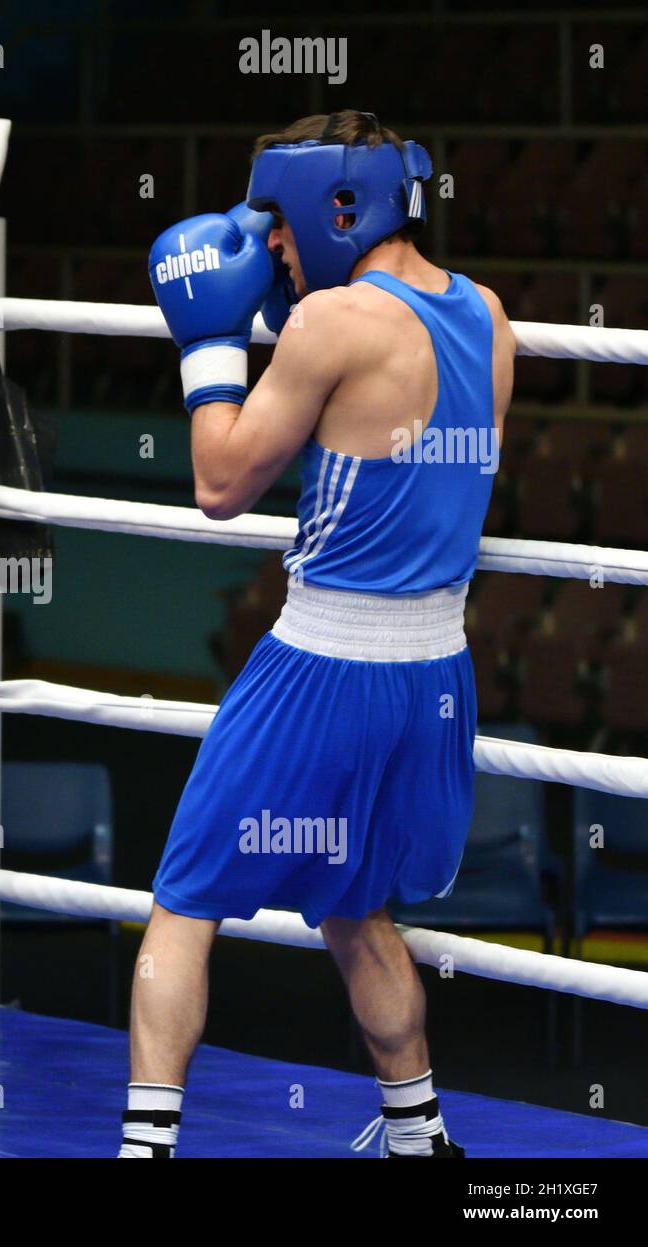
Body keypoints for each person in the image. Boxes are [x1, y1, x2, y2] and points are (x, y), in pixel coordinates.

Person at [124, 109, 514, 1158]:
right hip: (434, 674)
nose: (273, 246)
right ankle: (419, 1134)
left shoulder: (331, 324)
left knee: (183, 904)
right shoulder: (489, 316)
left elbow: (218, 483)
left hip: (323, 668)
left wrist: (210, 343)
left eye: (280, 222)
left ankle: (143, 1148)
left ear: (334, 208)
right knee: (356, 905)